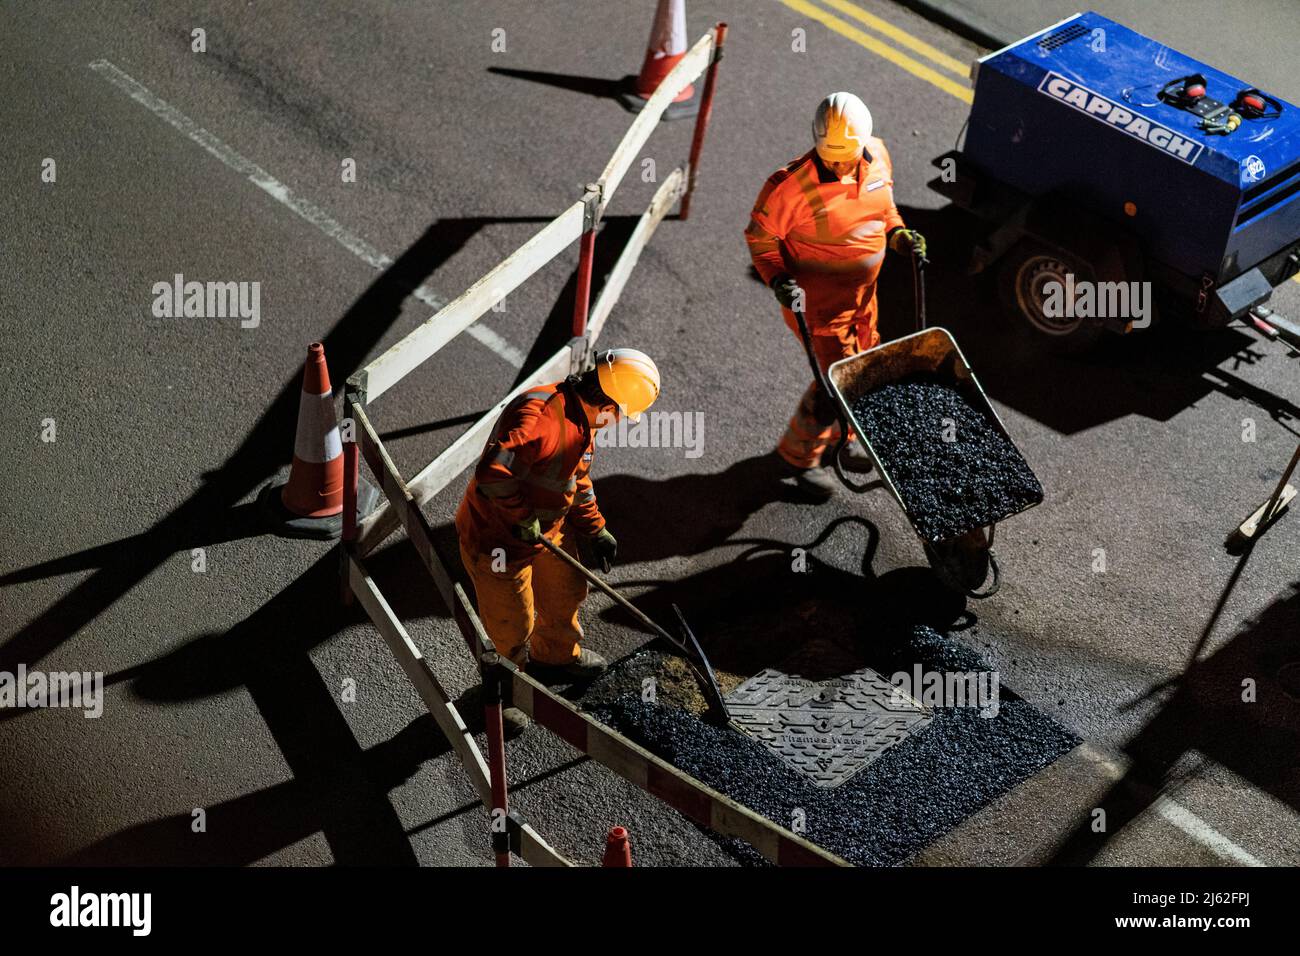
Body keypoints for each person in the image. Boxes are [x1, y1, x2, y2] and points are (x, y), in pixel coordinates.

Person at [455, 349, 661, 730]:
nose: (618, 422)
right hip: (499, 541)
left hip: (546, 532)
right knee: (511, 627)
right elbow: (493, 474)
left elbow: (575, 478)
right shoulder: (540, 418)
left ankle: (557, 656)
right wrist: (523, 517)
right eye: (621, 414)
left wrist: (594, 527)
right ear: (609, 403)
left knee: (566, 590)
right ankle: (501, 695)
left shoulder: (581, 420)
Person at [745, 91, 927, 499]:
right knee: (836, 382)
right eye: (830, 157)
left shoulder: (878, 154)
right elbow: (760, 241)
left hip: (863, 299)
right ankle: (798, 459)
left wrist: (898, 236)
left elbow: (885, 210)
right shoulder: (789, 187)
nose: (838, 164)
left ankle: (843, 439)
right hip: (819, 309)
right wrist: (777, 279)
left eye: (845, 157)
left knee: (864, 366)